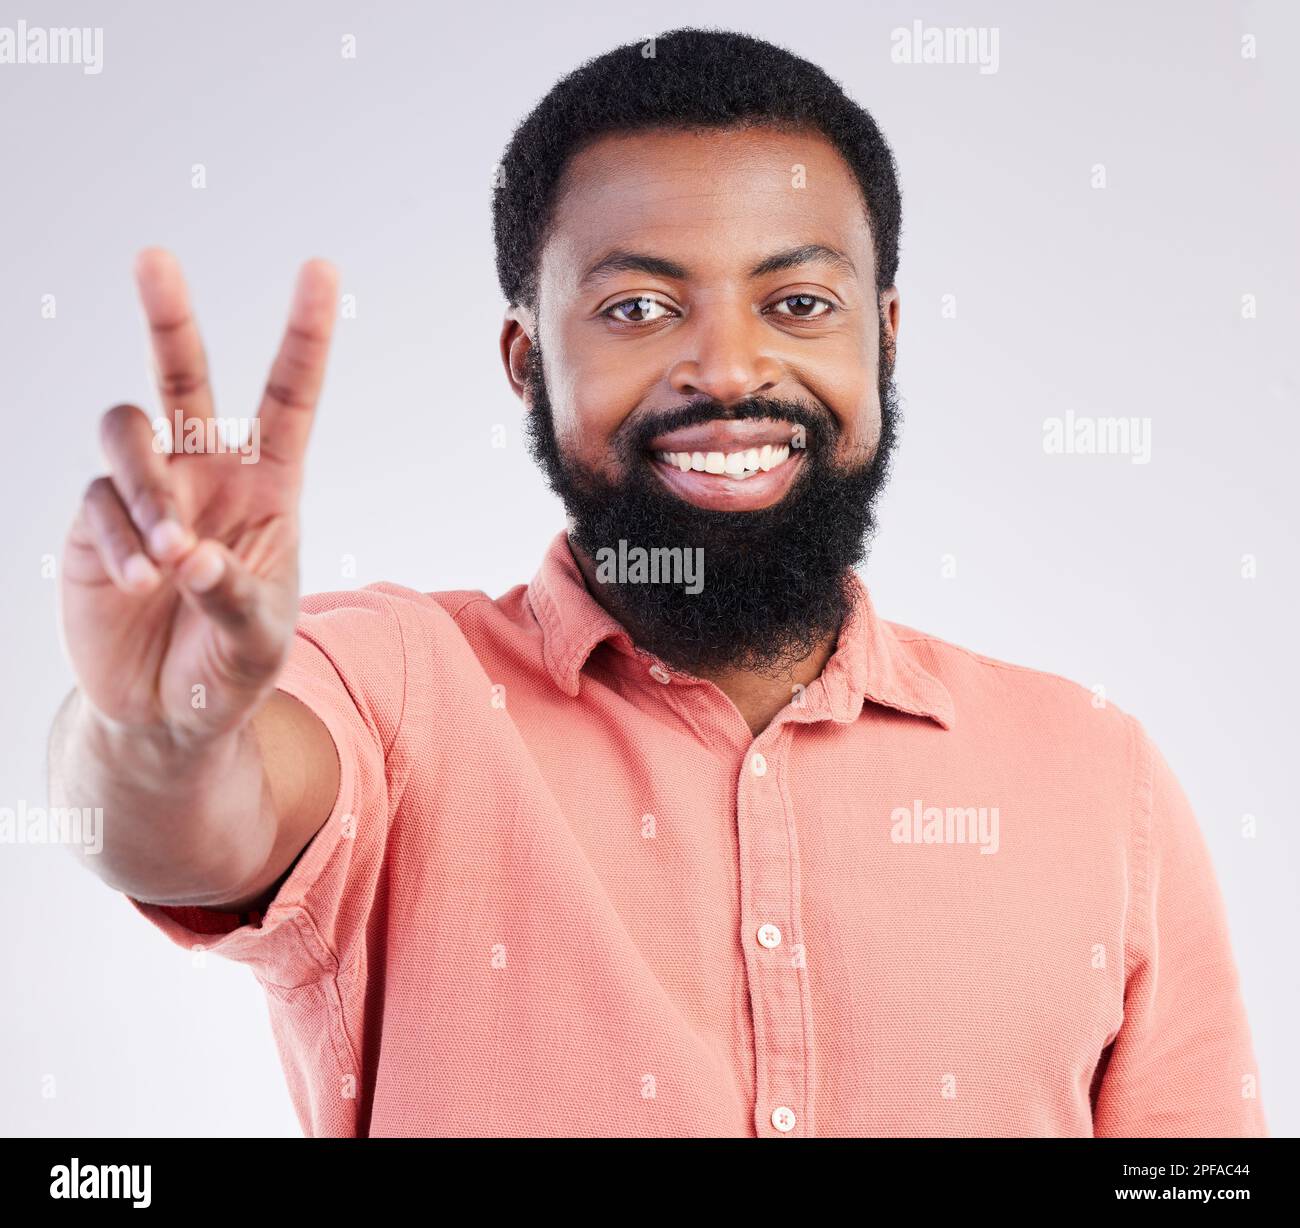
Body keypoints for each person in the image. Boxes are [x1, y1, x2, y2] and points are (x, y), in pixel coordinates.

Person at [47, 28, 1266, 1138]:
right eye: (637, 306)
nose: (728, 369)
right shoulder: (399, 690)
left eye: (797, 302)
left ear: (883, 338)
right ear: (528, 362)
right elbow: (195, 826)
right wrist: (166, 729)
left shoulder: (1098, 776)